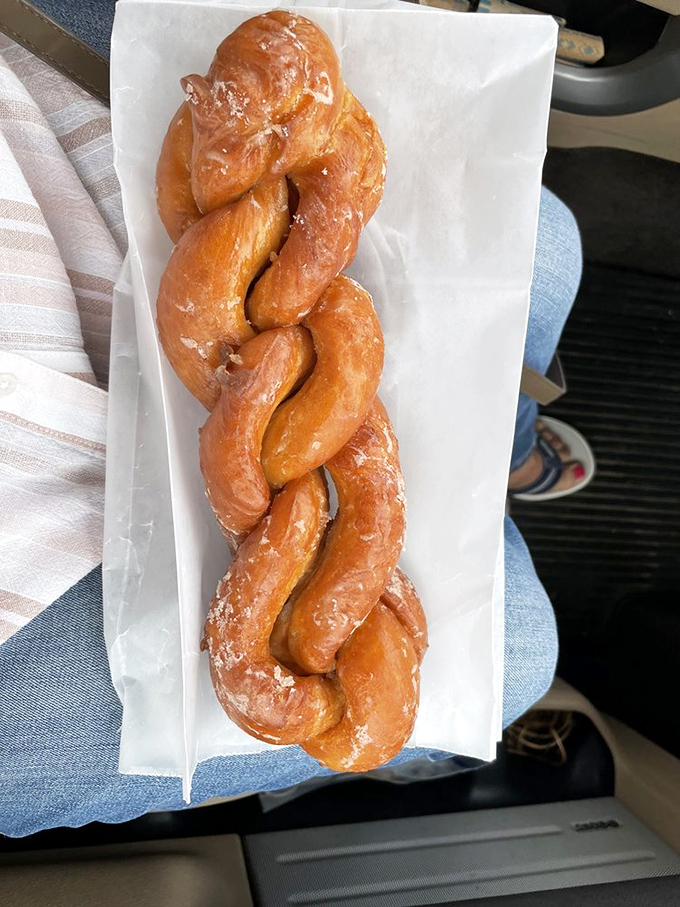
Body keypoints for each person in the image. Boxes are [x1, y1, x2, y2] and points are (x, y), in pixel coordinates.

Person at [0, 27, 586, 838]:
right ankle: (514, 455)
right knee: (520, 643)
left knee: (551, 256)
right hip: (30, 579)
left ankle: (513, 451)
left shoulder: (261, 175)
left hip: (70, 223)